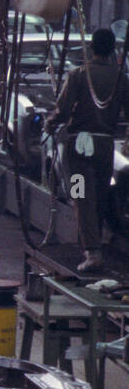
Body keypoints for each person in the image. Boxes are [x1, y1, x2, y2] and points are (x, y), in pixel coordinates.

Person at [46, 28, 129, 273]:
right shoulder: (121, 78)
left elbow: (62, 110)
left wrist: (51, 122)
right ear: (113, 49)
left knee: (81, 195)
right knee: (101, 194)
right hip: (104, 147)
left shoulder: (78, 75)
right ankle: (95, 244)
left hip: (79, 149)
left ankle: (92, 252)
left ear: (91, 47)